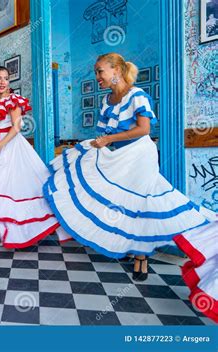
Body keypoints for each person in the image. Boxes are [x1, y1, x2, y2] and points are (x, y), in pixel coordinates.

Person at [43, 53, 216, 281]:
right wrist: (97, 143)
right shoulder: (107, 101)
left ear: (116, 71)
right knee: (120, 201)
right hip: (120, 155)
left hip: (140, 154)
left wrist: (109, 140)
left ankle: (141, 255)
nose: (97, 76)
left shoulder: (137, 96)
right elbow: (106, 132)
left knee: (140, 200)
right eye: (95, 72)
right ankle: (128, 244)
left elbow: (144, 129)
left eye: (100, 71)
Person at [0, 67, 70, 248]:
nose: (2, 82)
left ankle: (23, 228)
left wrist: (1, 144)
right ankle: (2, 226)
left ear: (9, 82)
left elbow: (16, 127)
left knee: (14, 186)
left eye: (6, 79)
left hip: (11, 144)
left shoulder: (13, 100)